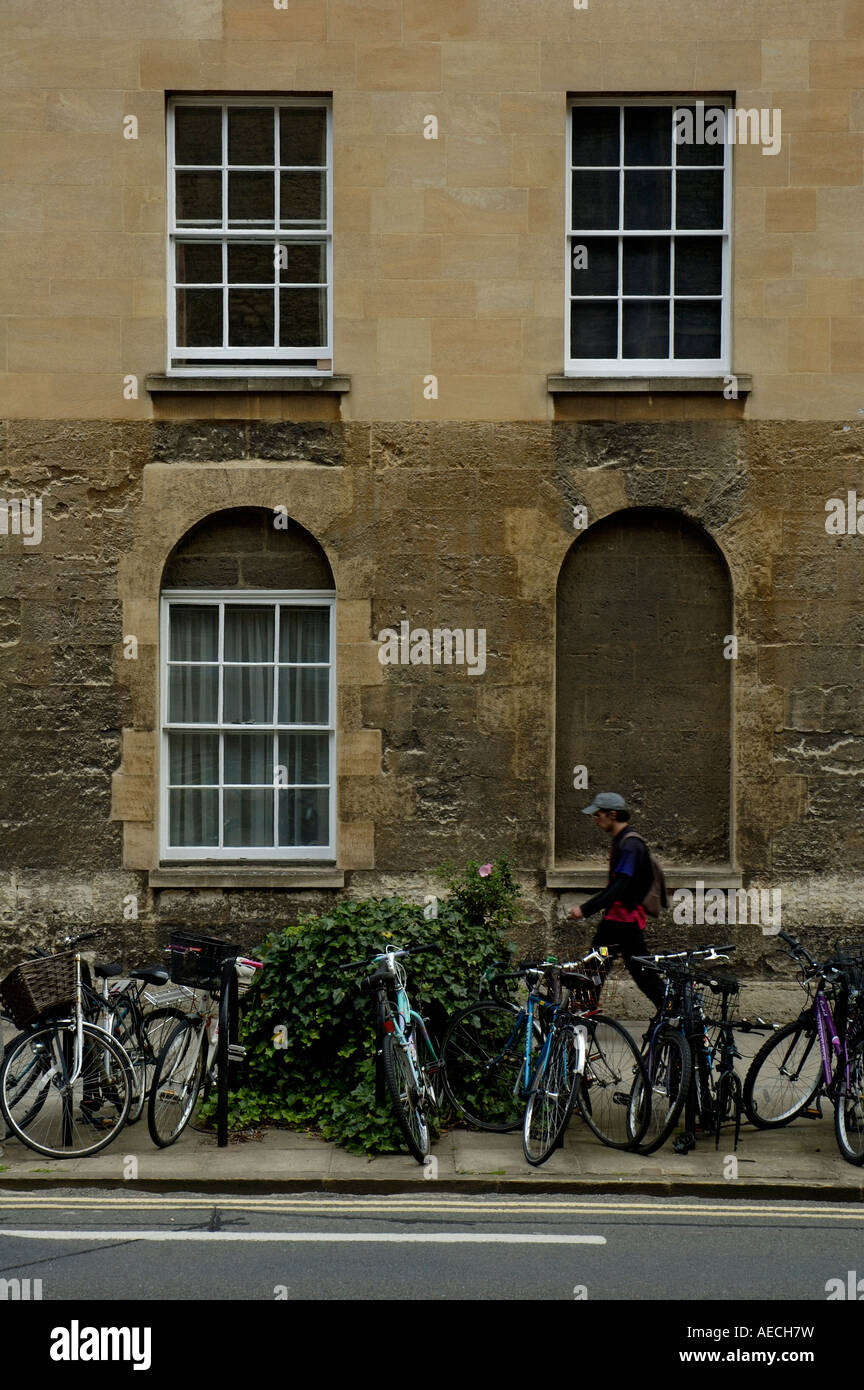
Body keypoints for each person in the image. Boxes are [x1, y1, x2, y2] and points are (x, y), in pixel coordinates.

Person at [568, 791, 665, 1011]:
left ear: (612, 814)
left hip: (624, 924)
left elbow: (619, 887)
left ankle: (675, 1014)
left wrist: (585, 909)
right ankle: (584, 1012)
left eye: (598, 815)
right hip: (617, 922)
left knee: (643, 975)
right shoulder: (622, 841)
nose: (595, 820)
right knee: (596, 965)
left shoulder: (630, 845)